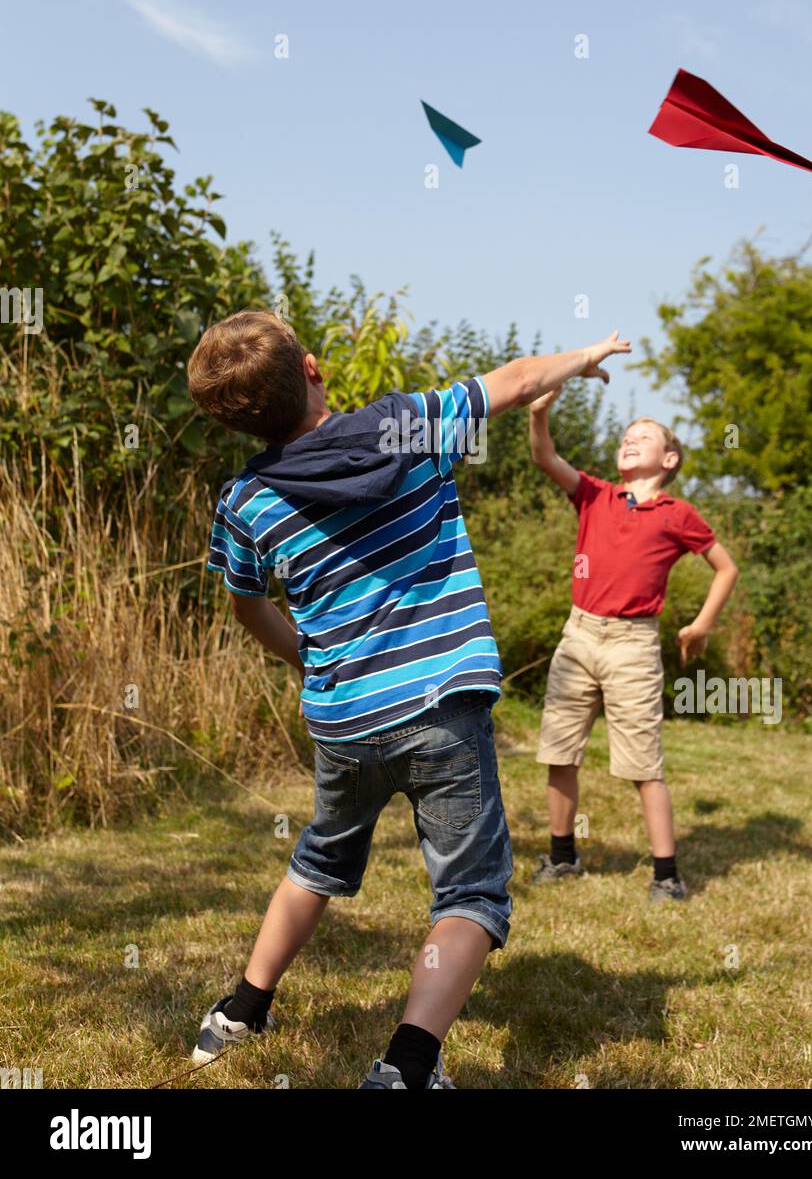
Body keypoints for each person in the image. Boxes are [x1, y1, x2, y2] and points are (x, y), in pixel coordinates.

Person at [186, 309, 629, 1087]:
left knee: (319, 859)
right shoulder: (408, 425)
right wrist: (584, 353)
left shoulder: (245, 502)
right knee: (469, 894)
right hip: (441, 705)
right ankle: (409, 1065)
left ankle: (240, 1012)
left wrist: (306, 658)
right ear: (313, 368)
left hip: (343, 717)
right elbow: (520, 379)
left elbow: (248, 606)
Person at [529, 399, 739, 900]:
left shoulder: (678, 514)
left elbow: (726, 568)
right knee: (560, 751)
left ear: (669, 460)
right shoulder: (594, 495)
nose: (630, 439)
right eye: (627, 434)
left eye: (643, 436)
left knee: (643, 764)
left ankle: (666, 875)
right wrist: (539, 413)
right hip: (579, 636)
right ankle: (563, 858)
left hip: (634, 645)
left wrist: (701, 624)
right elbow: (544, 457)